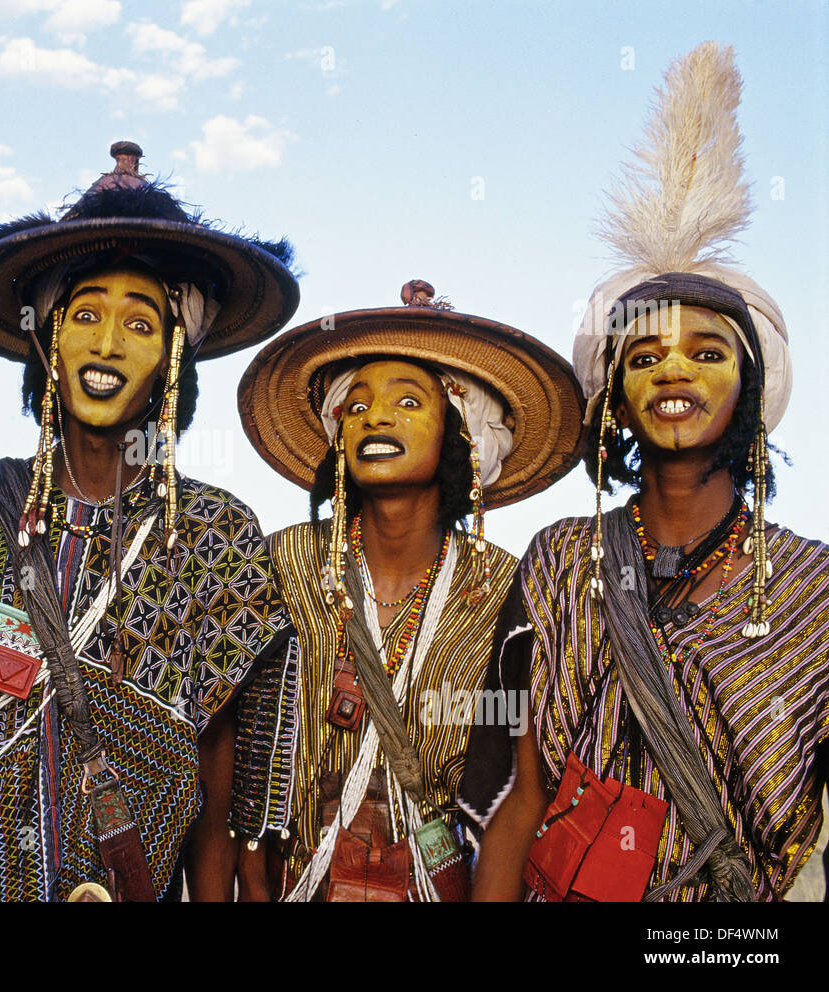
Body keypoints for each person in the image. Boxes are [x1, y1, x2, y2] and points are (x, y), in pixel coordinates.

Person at [0, 143, 299, 901]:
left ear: (173, 356)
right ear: (48, 341)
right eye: (87, 314)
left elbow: (213, 808)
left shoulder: (214, 537)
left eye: (140, 323)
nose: (105, 343)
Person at [461, 42, 829, 902]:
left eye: (706, 353)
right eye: (646, 356)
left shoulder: (814, 587)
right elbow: (519, 795)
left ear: (747, 389)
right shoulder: (558, 560)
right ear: (615, 401)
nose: (673, 372)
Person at [231, 281, 583, 900]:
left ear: (460, 437)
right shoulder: (284, 561)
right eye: (357, 404)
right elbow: (237, 746)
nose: (377, 417)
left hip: (437, 881)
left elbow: (524, 790)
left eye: (409, 402)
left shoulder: (506, 589)